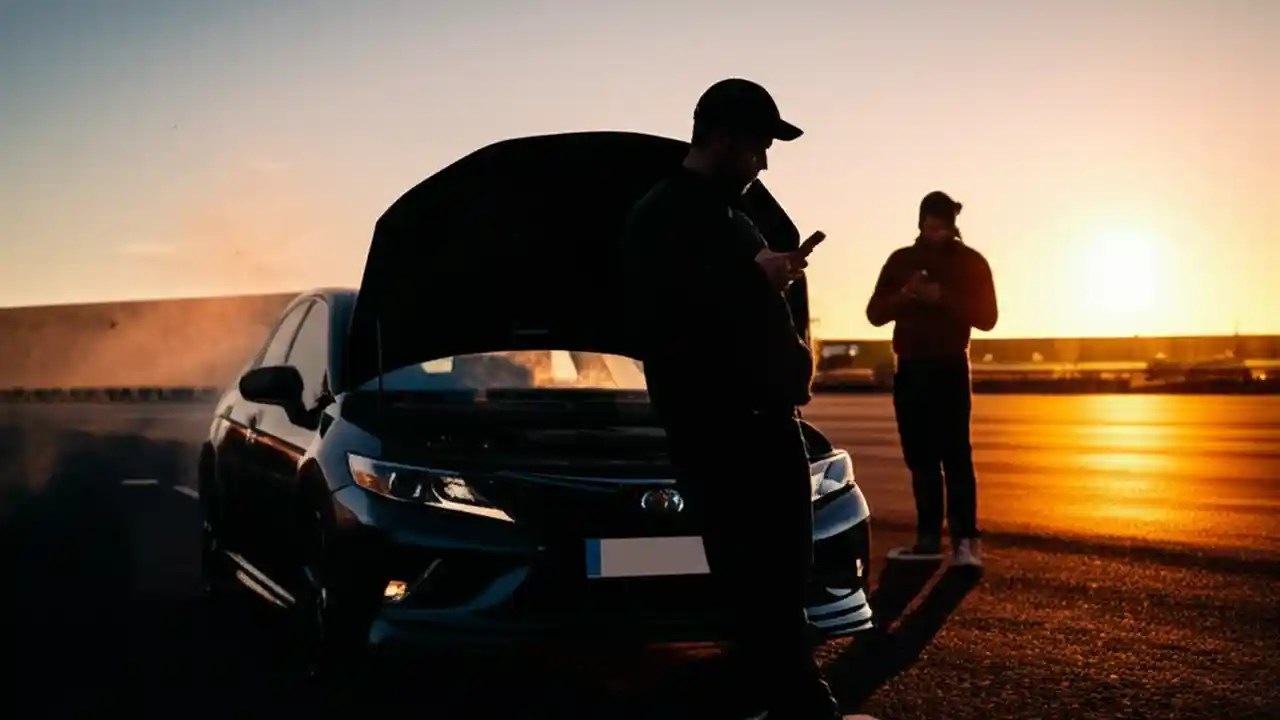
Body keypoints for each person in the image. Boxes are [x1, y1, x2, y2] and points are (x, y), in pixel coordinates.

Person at [619, 78, 842, 719]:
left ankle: (785, 693)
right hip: (721, 434)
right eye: (759, 147)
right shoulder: (660, 217)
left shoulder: (733, 220)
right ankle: (796, 700)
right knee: (757, 586)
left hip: (767, 427)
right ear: (723, 139)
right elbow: (660, 323)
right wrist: (754, 279)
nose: (765, 162)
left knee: (779, 583)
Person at [865, 191, 997, 567]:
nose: (938, 233)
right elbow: (874, 313)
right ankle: (927, 539)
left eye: (944, 226)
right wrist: (905, 295)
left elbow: (987, 317)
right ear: (921, 223)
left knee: (955, 455)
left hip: (950, 366)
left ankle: (966, 541)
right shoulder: (901, 260)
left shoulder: (971, 262)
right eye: (932, 225)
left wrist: (940, 296)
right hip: (910, 367)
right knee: (919, 456)